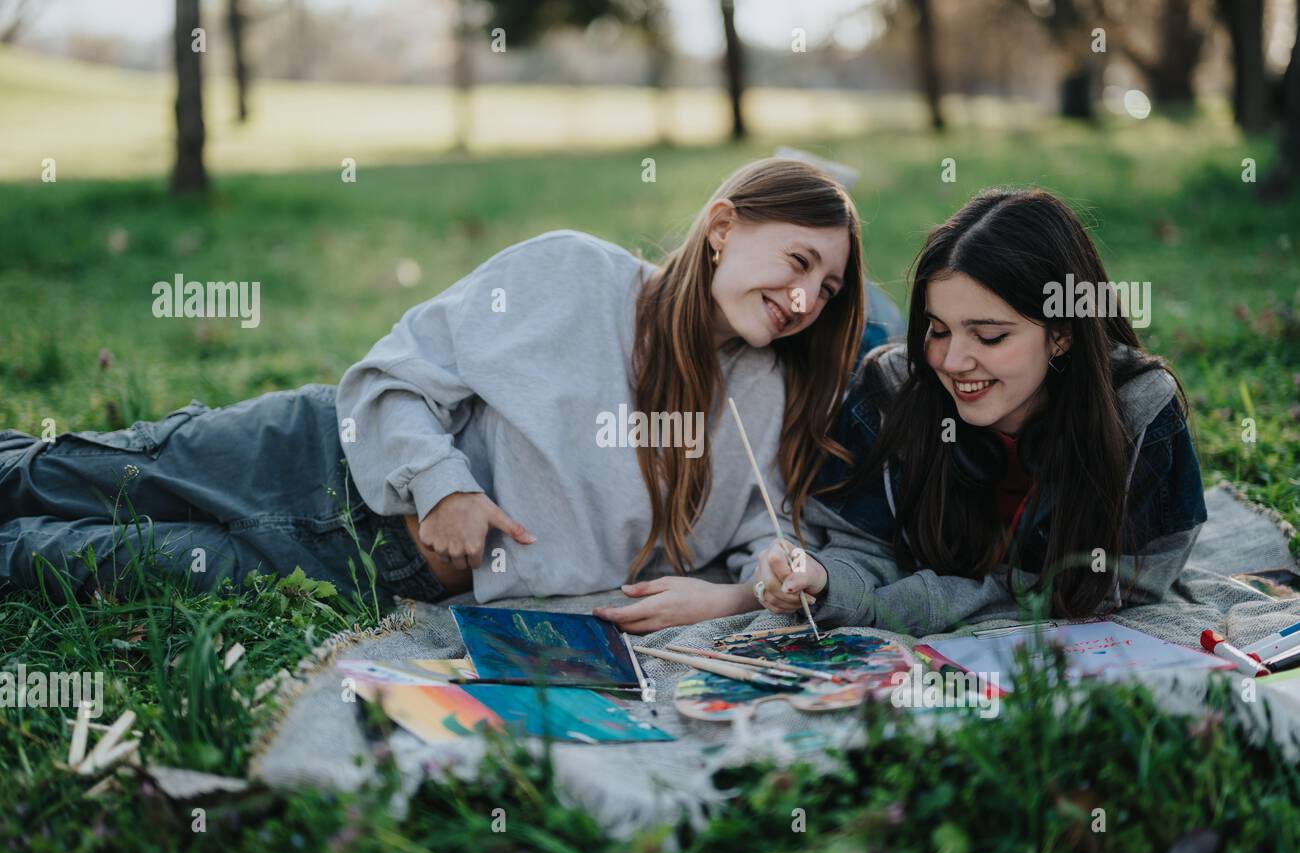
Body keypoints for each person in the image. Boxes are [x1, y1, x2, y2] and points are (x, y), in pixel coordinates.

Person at [1, 159, 872, 632]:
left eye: (828, 291)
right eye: (799, 262)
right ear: (723, 227)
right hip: (314, 458)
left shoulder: (769, 395)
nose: (806, 301)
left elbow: (771, 538)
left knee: (77, 569)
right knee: (65, 474)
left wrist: (734, 594)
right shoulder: (575, 273)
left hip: (383, 573)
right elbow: (393, 375)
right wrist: (444, 482)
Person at [752, 188, 1207, 635]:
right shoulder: (888, 395)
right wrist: (822, 581)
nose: (952, 362)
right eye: (938, 329)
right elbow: (859, 552)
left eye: (989, 336)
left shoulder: (1141, 413)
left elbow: (1129, 586)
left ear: (1062, 334)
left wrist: (927, 602)